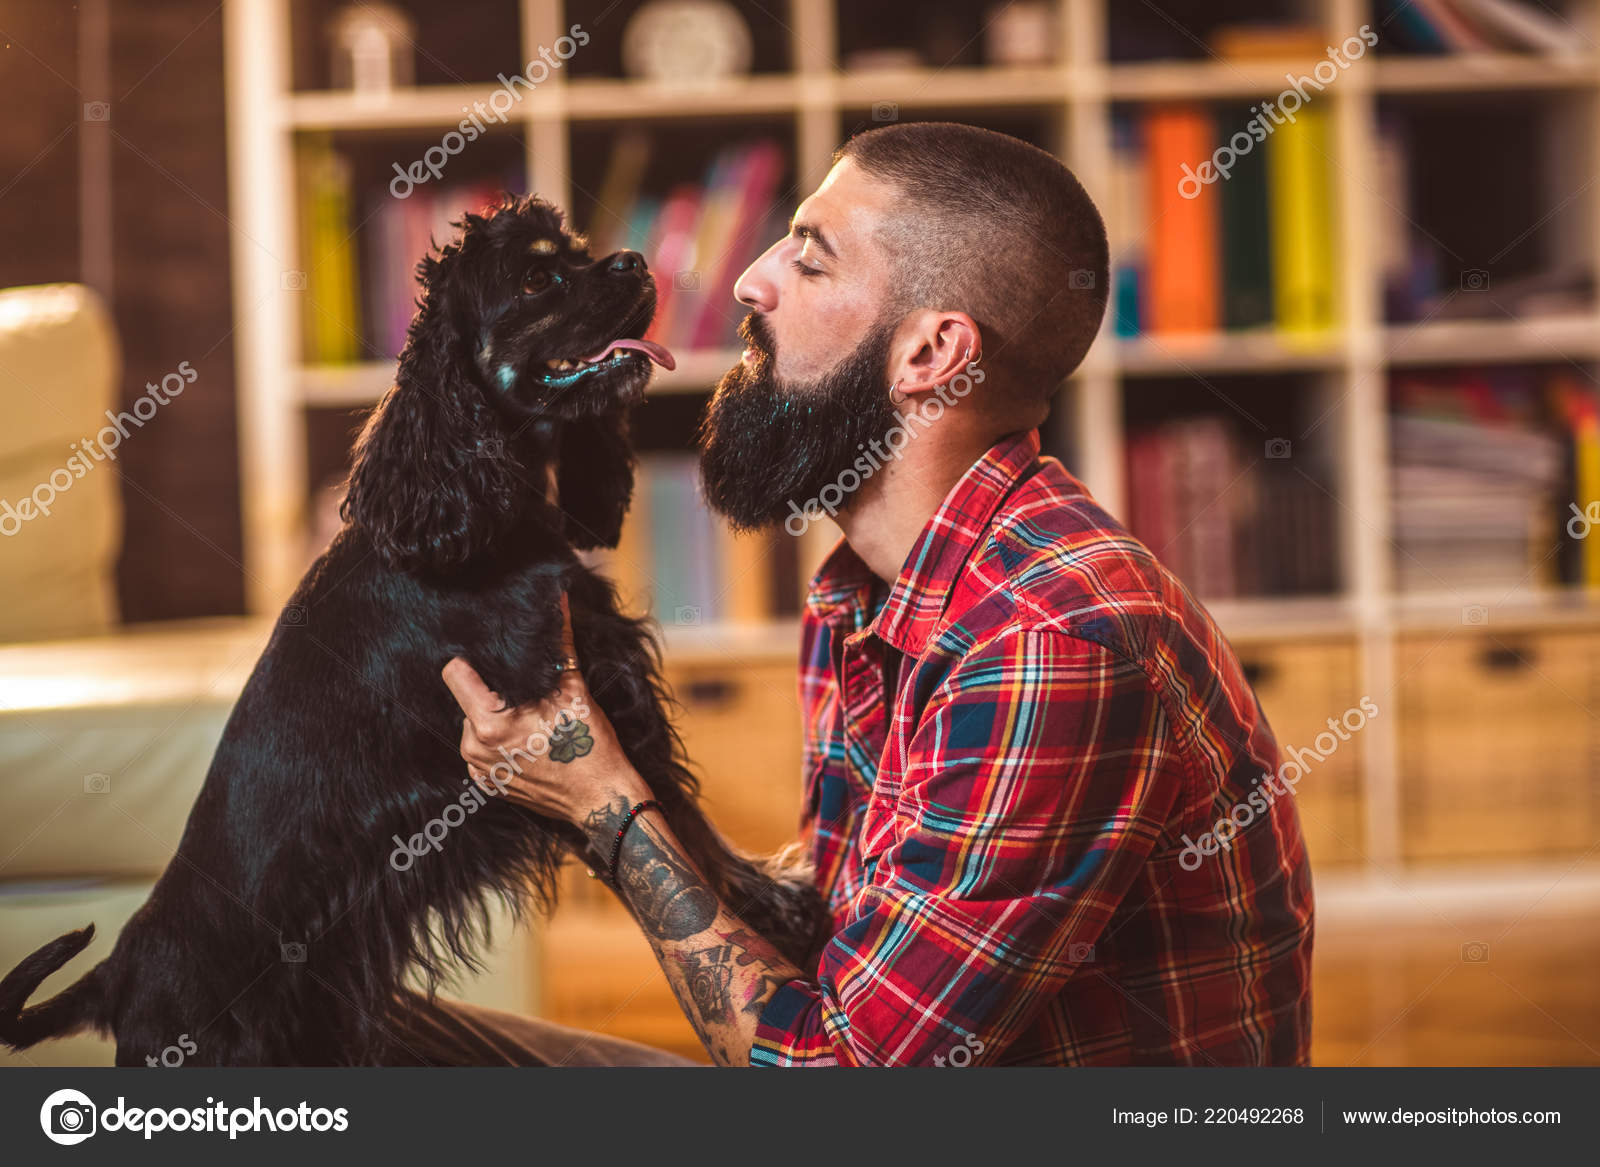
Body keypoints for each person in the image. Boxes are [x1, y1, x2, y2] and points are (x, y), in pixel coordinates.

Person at [416, 121, 1314, 1067]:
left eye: (809, 261)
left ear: (929, 355)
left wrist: (603, 801)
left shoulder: (1051, 639)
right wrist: (595, 780)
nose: (748, 280)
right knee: (349, 1037)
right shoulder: (861, 593)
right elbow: (845, 930)